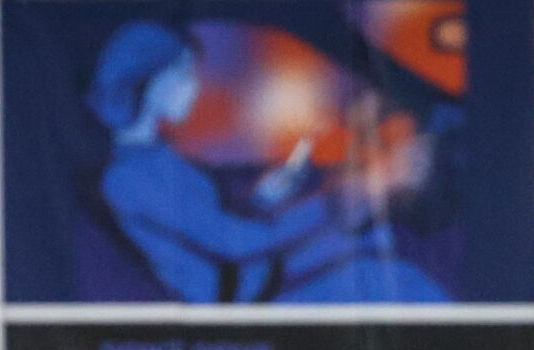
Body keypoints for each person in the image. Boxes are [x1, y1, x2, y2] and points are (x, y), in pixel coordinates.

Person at [86, 20, 445, 304]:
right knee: (386, 282)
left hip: (262, 279)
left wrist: (269, 196)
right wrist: (345, 197)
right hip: (244, 304)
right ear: (147, 81)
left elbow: (214, 227)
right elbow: (236, 244)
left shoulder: (157, 156)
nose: (194, 86)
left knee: (378, 257)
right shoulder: (124, 178)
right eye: (183, 74)